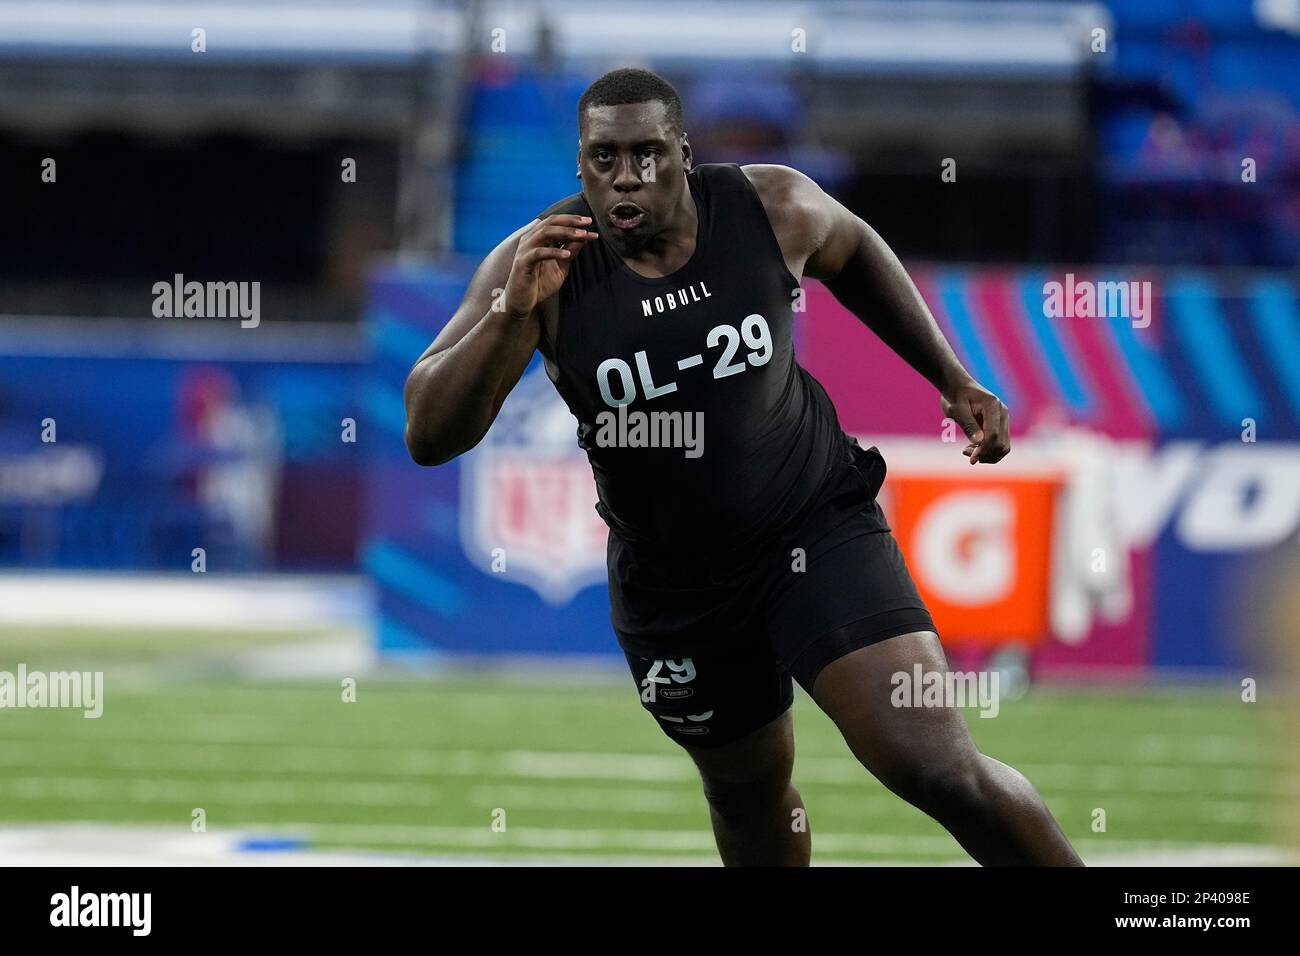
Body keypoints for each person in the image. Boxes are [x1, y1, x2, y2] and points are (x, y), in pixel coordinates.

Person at [404, 67, 1082, 866]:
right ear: (580, 166)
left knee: (931, 764)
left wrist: (951, 378)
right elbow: (428, 431)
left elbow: (855, 248)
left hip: (815, 525)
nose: (628, 175)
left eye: (649, 153)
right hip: (674, 582)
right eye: (605, 157)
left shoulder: (772, 207)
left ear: (683, 153)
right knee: (748, 791)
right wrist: (507, 317)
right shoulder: (538, 265)